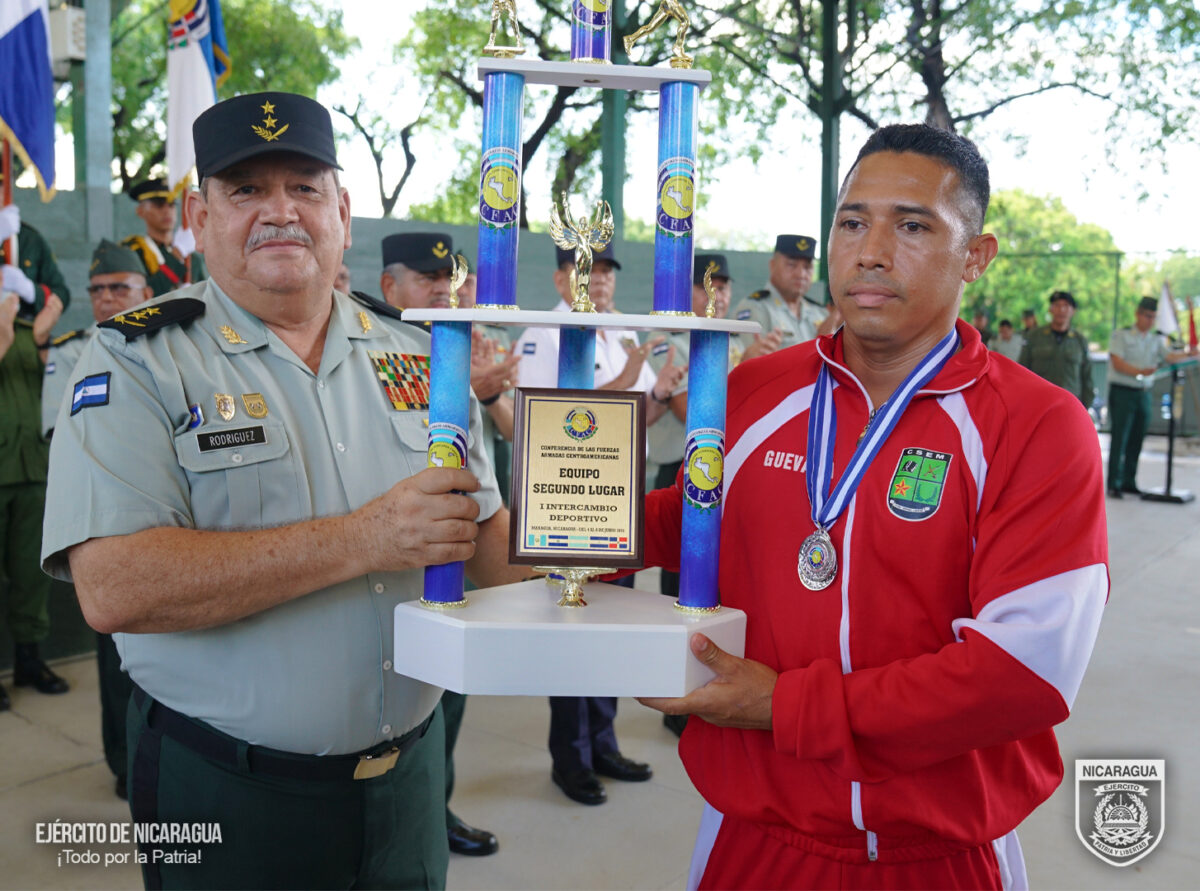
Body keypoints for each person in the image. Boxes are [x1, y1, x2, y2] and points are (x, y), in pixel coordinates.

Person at [41, 91, 525, 889]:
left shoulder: (425, 361)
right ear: (198, 214)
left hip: (410, 782)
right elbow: (114, 586)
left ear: (342, 207)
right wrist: (367, 537)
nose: (280, 212)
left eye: (303, 187)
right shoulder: (133, 362)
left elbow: (496, 555)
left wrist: (610, 530)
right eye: (246, 190)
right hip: (229, 791)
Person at [636, 123, 1108, 889]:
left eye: (913, 225)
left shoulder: (1037, 424)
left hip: (940, 856)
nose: (872, 250)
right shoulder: (753, 395)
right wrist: (541, 517)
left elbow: (1025, 669)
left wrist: (786, 704)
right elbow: (675, 521)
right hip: (754, 840)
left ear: (977, 256)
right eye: (852, 222)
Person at [514, 240, 684, 807]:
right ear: (562, 280)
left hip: (620, 501)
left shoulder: (619, 332)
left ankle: (604, 742)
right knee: (572, 634)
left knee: (614, 630)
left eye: (609, 271)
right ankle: (572, 757)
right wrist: (633, 376)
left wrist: (657, 389)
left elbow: (637, 420)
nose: (603, 282)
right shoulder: (544, 333)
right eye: (590, 271)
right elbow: (561, 417)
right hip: (569, 504)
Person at [368, 231, 518, 858]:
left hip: (446, 591)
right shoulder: (368, 357)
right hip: (359, 605)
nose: (443, 288)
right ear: (389, 288)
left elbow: (485, 513)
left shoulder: (457, 366)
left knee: (437, 717)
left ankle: (436, 807)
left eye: (453, 275)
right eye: (426, 278)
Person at [40, 240, 152, 797]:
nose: (107, 299)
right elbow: (65, 437)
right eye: (99, 290)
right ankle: (124, 762)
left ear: (146, 294)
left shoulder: (177, 347)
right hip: (110, 522)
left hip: (175, 520)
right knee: (117, 655)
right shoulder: (73, 349)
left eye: (120, 288)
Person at [0, 220, 69, 712]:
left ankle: (29, 657)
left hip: (31, 467)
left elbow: (58, 292)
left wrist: (37, 305)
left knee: (31, 573)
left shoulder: (30, 333)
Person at [1105, 295, 1197, 498]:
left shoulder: (1156, 339)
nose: (1151, 321)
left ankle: (1129, 480)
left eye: (1154, 317)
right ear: (1138, 314)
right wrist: (1140, 372)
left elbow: (1170, 357)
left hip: (1143, 393)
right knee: (1120, 438)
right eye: (1147, 316)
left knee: (1137, 439)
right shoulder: (1122, 335)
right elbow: (1117, 362)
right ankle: (1114, 483)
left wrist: (1190, 354)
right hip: (1123, 391)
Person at [730, 234, 836, 354]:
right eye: (791, 265)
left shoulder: (820, 313)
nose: (801, 274)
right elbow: (747, 364)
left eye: (807, 267)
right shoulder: (754, 308)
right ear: (772, 265)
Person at [121, 177, 207, 296]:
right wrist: (178, 254)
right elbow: (142, 295)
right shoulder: (133, 252)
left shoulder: (192, 258)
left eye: (171, 205)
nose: (167, 211)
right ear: (140, 211)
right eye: (159, 205)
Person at [1019, 290, 1094, 408]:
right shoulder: (1034, 336)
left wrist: (1084, 408)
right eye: (1057, 305)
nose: (1061, 310)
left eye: (1066, 306)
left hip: (1070, 405)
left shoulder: (1080, 341)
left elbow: (1087, 378)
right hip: (1039, 403)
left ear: (1073, 311)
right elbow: (1022, 371)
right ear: (1050, 309)